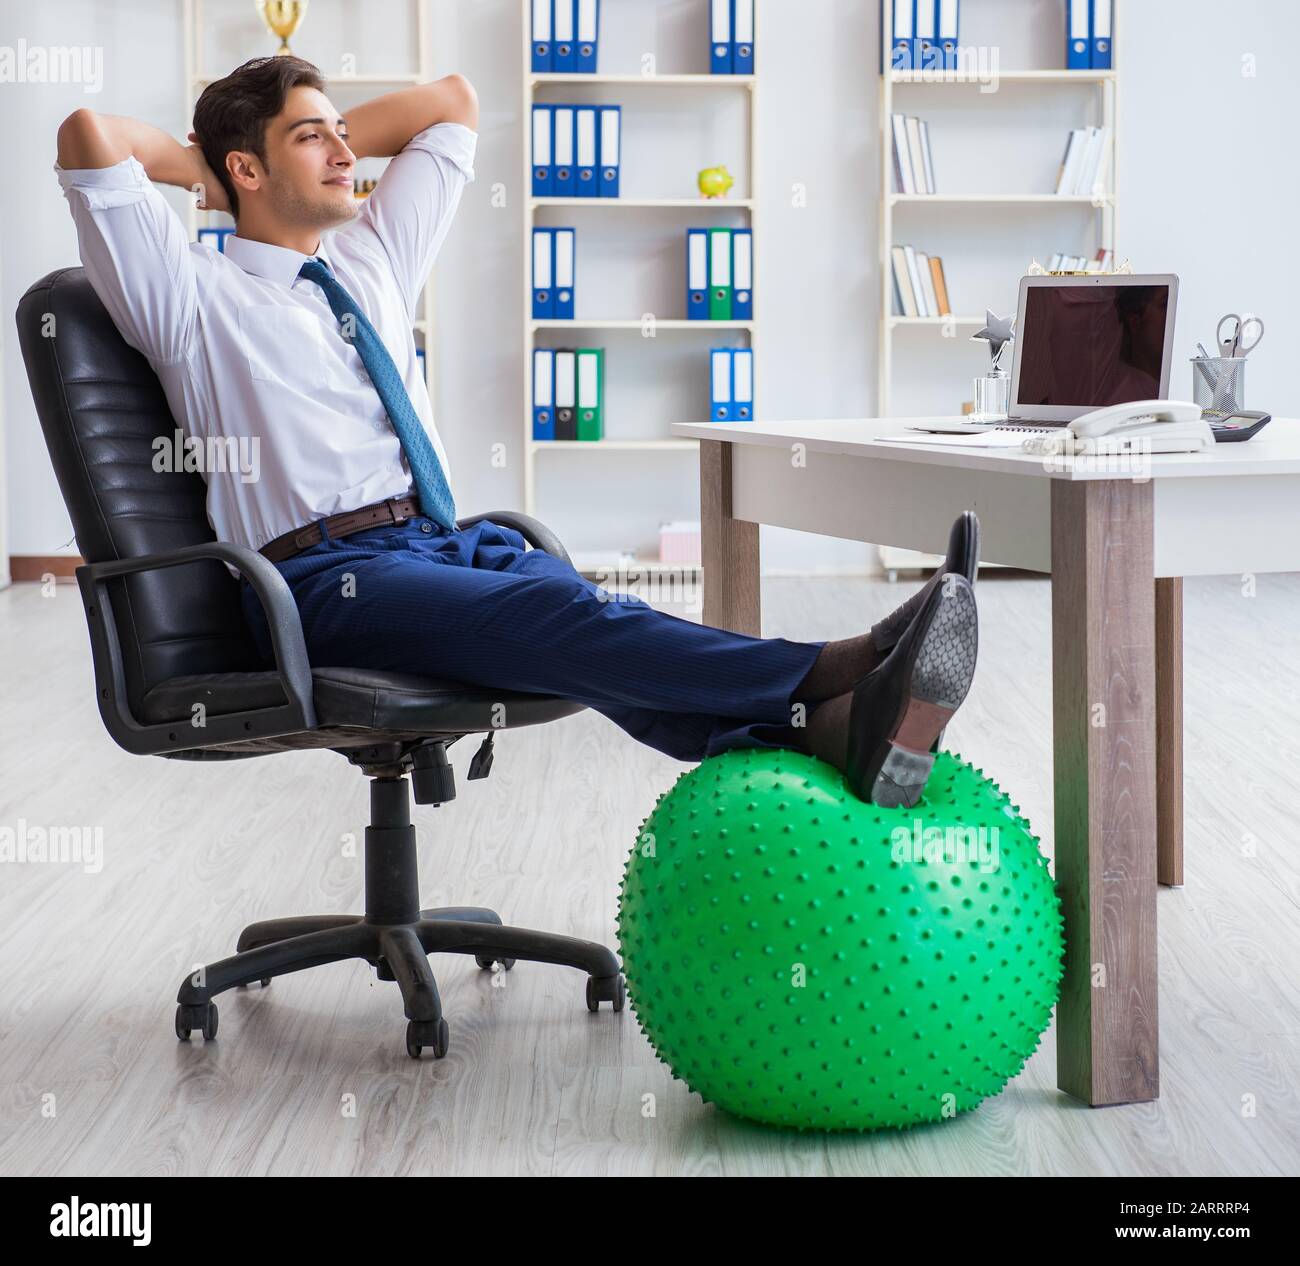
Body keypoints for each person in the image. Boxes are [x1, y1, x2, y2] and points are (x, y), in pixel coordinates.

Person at [53, 56, 979, 809]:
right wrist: (213, 169)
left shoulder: (371, 260)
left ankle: (818, 734)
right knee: (562, 619)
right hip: (320, 580)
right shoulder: (190, 295)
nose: (345, 151)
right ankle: (836, 669)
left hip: (444, 543)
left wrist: (300, 137)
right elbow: (88, 136)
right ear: (246, 170)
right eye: (313, 137)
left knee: (594, 624)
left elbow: (453, 102)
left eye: (344, 131)